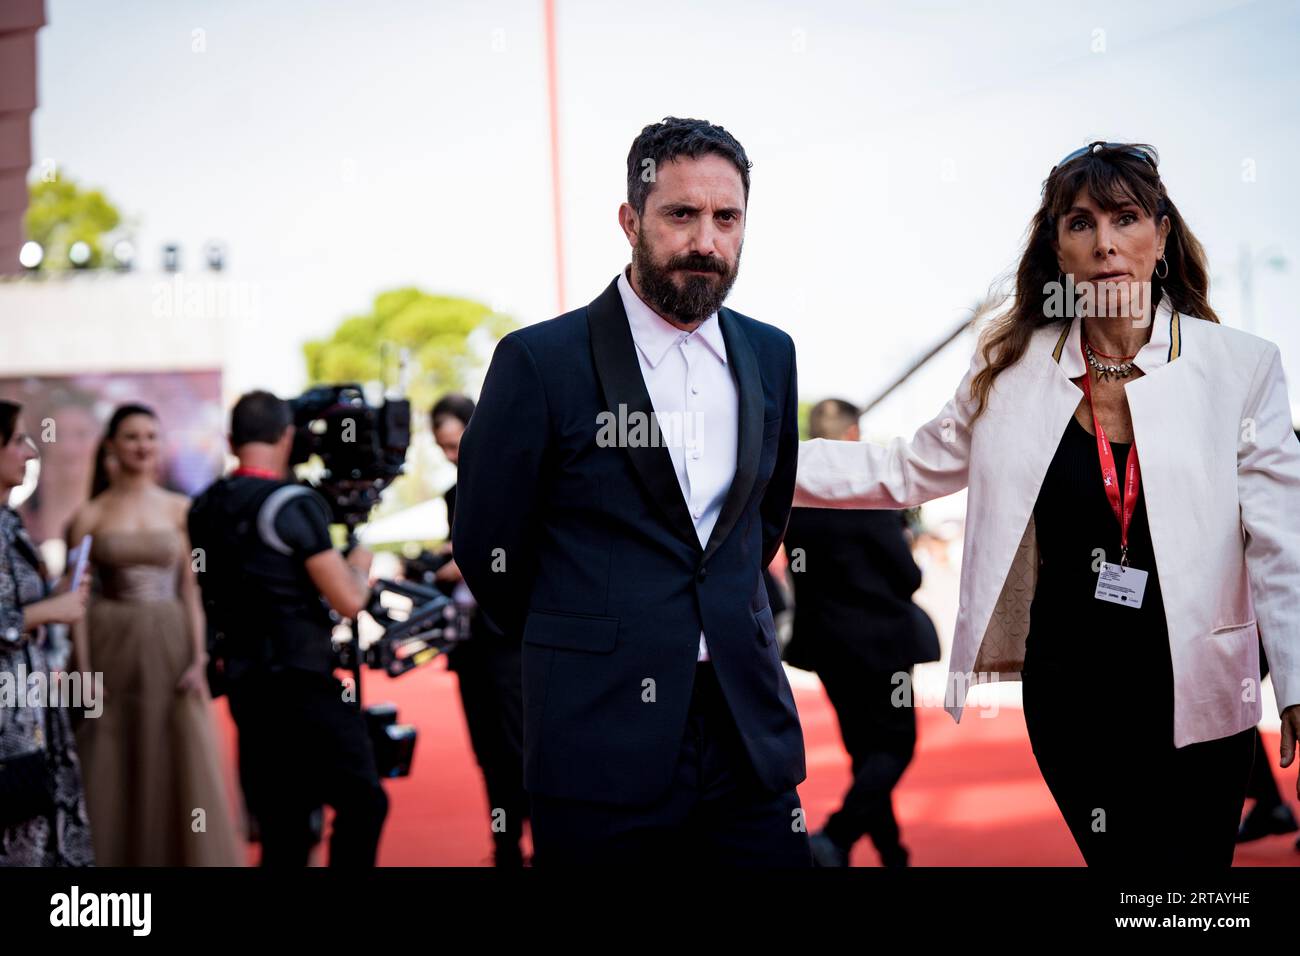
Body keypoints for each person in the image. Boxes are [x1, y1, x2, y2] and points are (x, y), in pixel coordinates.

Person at [794, 142, 1300, 867]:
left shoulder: (1239, 366)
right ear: (1057, 248)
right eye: (1080, 223)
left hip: (1200, 686)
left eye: (1125, 218)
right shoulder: (1011, 368)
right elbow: (906, 469)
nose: (1105, 244)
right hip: (1072, 690)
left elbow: (1283, 536)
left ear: (1160, 235)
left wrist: (1297, 676)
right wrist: (761, 461)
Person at [454, 116, 809, 867]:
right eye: (681, 214)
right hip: (597, 735)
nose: (706, 241)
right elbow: (490, 547)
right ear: (631, 220)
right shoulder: (539, 361)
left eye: (726, 217)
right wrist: (592, 632)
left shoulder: (772, 354)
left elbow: (760, 523)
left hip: (748, 733)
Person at [188, 390, 388, 867]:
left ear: (232, 439)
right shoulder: (291, 504)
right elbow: (348, 599)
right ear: (286, 437)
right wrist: (359, 561)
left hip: (244, 683)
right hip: (302, 680)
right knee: (364, 802)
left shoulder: (204, 506)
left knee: (284, 826)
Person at [66, 403, 242, 866]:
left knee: (176, 752)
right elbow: (76, 603)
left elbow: (192, 589)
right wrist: (83, 672)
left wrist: (200, 659)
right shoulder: (87, 516)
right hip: (109, 645)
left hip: (171, 641)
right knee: (111, 757)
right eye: (132, 437)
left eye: (151, 436)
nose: (143, 445)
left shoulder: (183, 509)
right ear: (111, 446)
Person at [783, 398, 939, 867]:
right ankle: (838, 837)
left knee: (865, 753)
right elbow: (907, 577)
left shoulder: (796, 499)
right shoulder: (868, 498)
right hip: (880, 646)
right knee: (894, 746)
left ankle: (891, 852)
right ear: (852, 436)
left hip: (826, 644)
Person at [430, 393, 529, 866]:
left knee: (519, 749)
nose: (453, 456)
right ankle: (505, 847)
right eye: (443, 448)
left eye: (456, 444)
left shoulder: (515, 482)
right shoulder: (453, 496)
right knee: (488, 752)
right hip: (469, 642)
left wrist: (462, 566)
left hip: (511, 639)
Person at [0, 399, 95, 867]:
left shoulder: (10, 520)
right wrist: (45, 611)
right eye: (19, 440)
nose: (31, 453)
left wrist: (56, 594)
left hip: (28, 706)